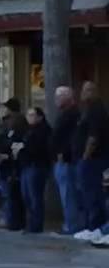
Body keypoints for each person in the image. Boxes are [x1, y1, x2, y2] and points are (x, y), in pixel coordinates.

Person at [74, 82, 109, 241]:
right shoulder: (87, 110)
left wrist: (86, 156)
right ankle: (92, 226)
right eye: (83, 89)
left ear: (94, 92)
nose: (83, 93)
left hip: (94, 160)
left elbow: (93, 137)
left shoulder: (96, 110)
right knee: (87, 194)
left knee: (93, 194)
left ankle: (96, 227)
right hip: (90, 159)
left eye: (87, 90)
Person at [51, 86, 82, 234]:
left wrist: (64, 152)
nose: (56, 99)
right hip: (62, 159)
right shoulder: (65, 114)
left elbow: (73, 138)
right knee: (67, 193)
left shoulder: (73, 115)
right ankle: (70, 223)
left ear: (68, 98)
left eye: (59, 96)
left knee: (69, 194)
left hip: (67, 160)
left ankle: (72, 225)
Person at [15, 106, 52, 234]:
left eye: (32, 115)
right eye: (28, 115)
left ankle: (36, 226)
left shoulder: (44, 130)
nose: (29, 118)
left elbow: (40, 148)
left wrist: (24, 147)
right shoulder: (27, 131)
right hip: (26, 166)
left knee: (35, 197)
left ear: (40, 117)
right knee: (26, 196)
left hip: (37, 166)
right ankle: (30, 223)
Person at [0, 98, 26, 230]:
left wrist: (0, 152)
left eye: (6, 107)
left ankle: (11, 220)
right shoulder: (15, 121)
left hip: (9, 162)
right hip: (8, 160)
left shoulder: (13, 122)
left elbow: (5, 140)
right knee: (12, 193)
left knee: (9, 193)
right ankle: (14, 220)